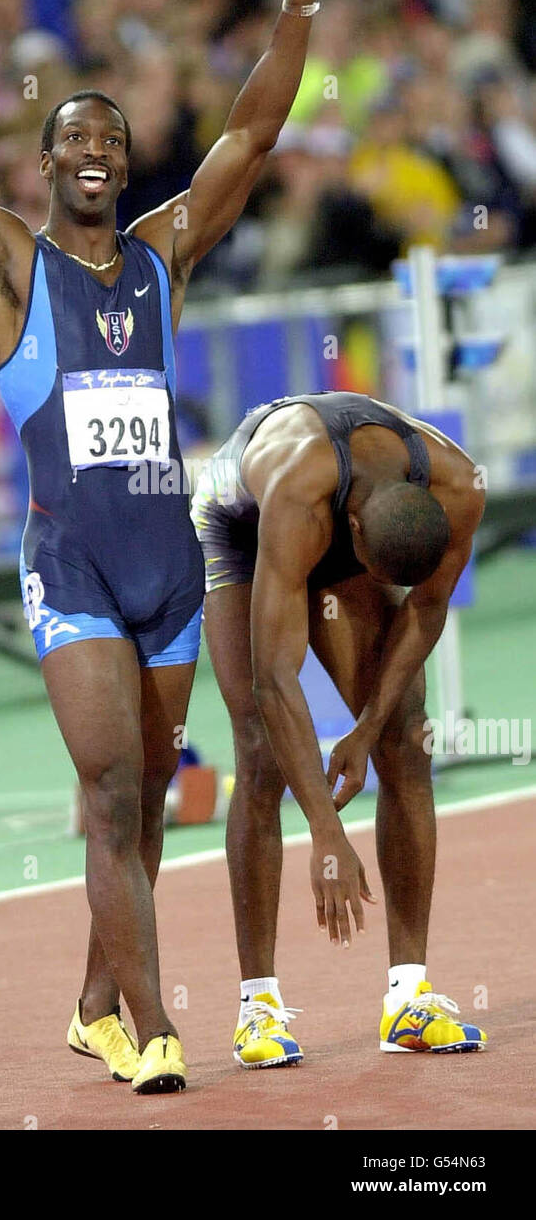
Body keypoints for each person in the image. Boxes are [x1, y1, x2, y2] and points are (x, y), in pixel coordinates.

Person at [0, 0, 336, 1094]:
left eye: (111, 138)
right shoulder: (6, 270)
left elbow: (249, 134)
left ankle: (92, 1001)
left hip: (170, 574)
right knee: (112, 794)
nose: (93, 148)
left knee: (143, 801)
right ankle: (151, 1026)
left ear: (125, 166)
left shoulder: (160, 261)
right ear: (40, 166)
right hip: (73, 566)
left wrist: (295, 8)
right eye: (72, 136)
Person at [192, 390, 488, 1067]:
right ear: (354, 533)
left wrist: (365, 727)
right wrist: (326, 831)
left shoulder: (457, 488)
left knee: (404, 741)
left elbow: (426, 607)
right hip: (242, 525)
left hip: (343, 515)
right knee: (261, 752)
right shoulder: (298, 493)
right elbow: (275, 677)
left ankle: (408, 998)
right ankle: (257, 1008)